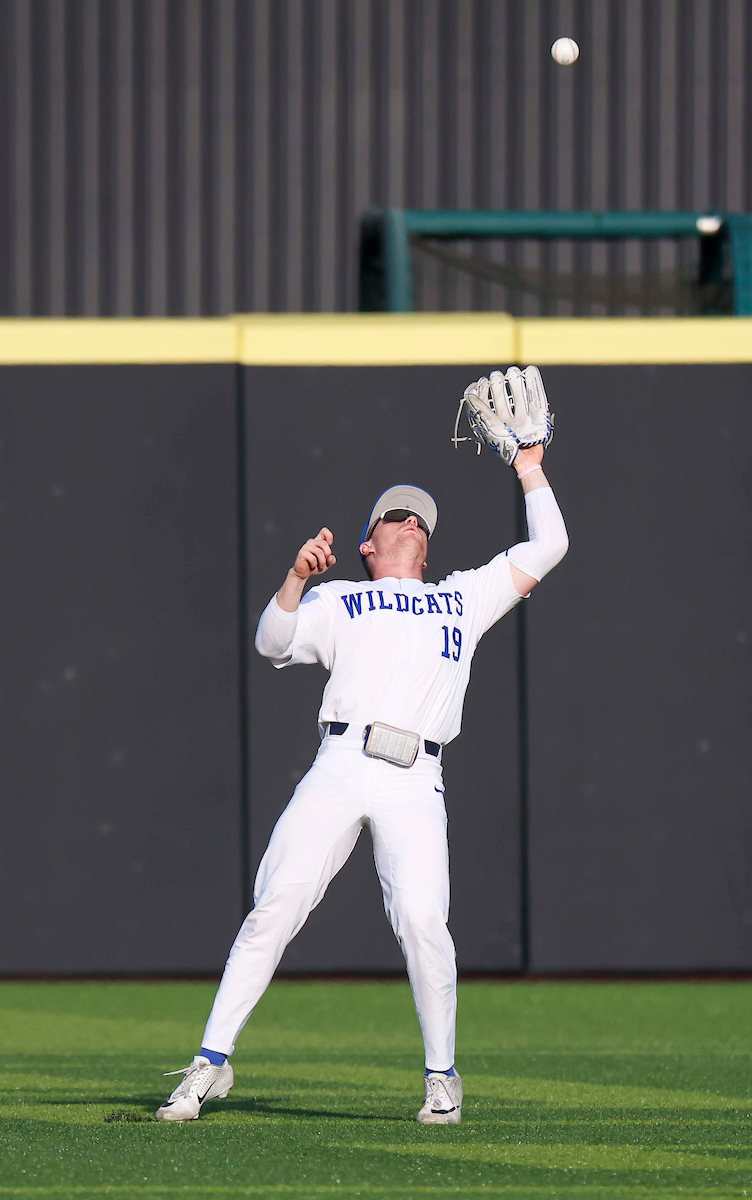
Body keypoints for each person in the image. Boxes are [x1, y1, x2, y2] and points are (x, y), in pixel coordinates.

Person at [155, 387, 569, 1126]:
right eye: (393, 515)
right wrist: (295, 580)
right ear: (369, 543)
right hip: (341, 767)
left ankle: (442, 1078)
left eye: (419, 518)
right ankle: (209, 1064)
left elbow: (550, 547)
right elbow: (271, 644)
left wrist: (529, 467)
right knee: (275, 905)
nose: (409, 519)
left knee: (421, 920)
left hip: (417, 777)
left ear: (426, 544)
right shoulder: (342, 598)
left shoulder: (461, 599)